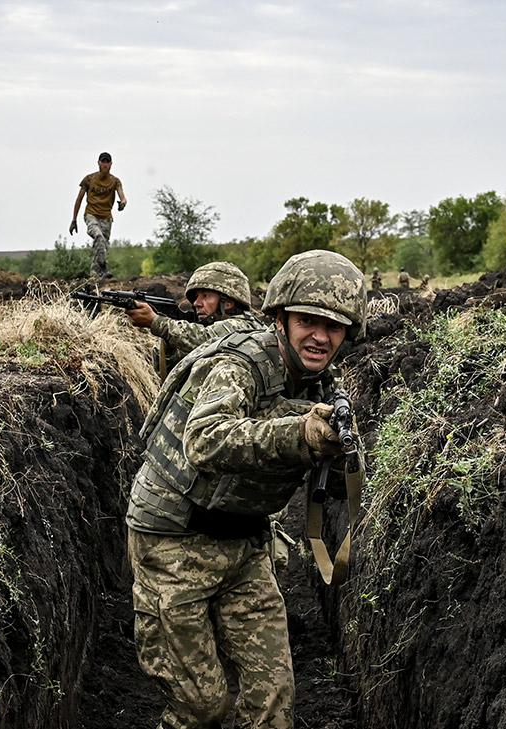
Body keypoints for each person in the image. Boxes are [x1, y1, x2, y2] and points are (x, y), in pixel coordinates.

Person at [126, 249, 367, 729]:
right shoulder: (241, 366)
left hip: (245, 544)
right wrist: (297, 434)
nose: (320, 336)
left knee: (272, 703)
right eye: (307, 320)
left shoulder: (324, 386)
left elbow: (333, 485)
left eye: (334, 326)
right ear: (280, 318)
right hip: (174, 541)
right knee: (201, 708)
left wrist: (337, 453)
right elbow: (205, 439)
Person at [124, 261, 263, 375]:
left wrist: (157, 322)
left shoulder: (243, 326)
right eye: (196, 297)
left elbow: (205, 337)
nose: (196, 303)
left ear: (227, 303)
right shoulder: (210, 331)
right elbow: (167, 370)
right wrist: (169, 343)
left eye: (205, 296)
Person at [70, 152, 127, 278]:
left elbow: (122, 196)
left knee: (102, 247)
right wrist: (74, 220)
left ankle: (94, 276)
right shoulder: (89, 179)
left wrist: (123, 203)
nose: (105, 164)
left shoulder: (115, 181)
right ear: (98, 163)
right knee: (99, 237)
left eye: (107, 162)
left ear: (111, 164)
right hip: (91, 215)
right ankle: (104, 268)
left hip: (106, 218)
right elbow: (79, 199)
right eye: (103, 162)